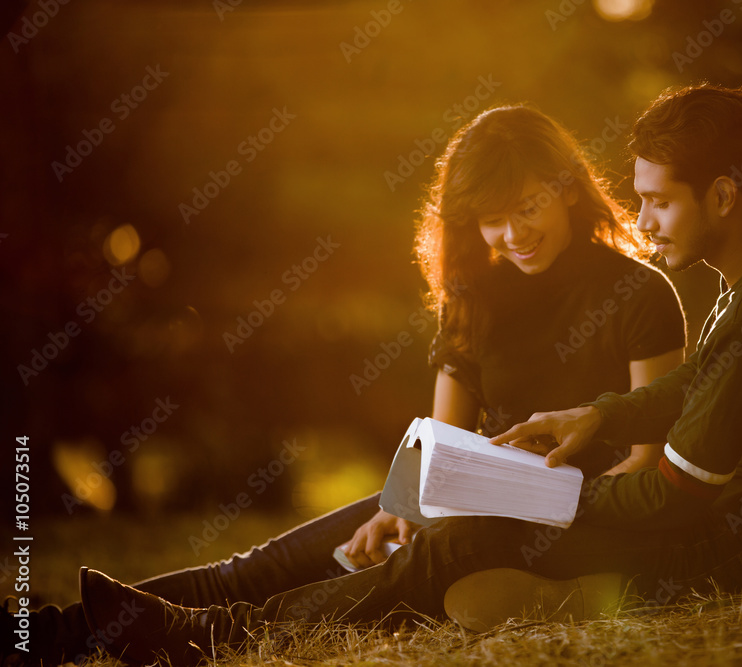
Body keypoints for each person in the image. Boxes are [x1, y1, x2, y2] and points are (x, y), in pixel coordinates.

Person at [67, 83, 742, 667]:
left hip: (735, 543)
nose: (646, 218)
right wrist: (593, 416)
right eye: (493, 217)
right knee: (314, 546)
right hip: (624, 501)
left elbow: (673, 489)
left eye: (658, 202)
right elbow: (691, 389)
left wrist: (527, 496)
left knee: (461, 540)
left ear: (723, 195)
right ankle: (65, 628)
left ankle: (210, 639)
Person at [2, 104, 686, 666]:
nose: (513, 234)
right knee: (265, 561)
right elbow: (443, 437)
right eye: (491, 218)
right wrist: (404, 503)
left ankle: (212, 633)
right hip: (481, 501)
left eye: (528, 206)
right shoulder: (476, 295)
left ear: (567, 185)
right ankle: (45, 635)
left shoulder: (640, 294)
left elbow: (645, 460)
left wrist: (542, 502)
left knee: (411, 558)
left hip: (580, 521)